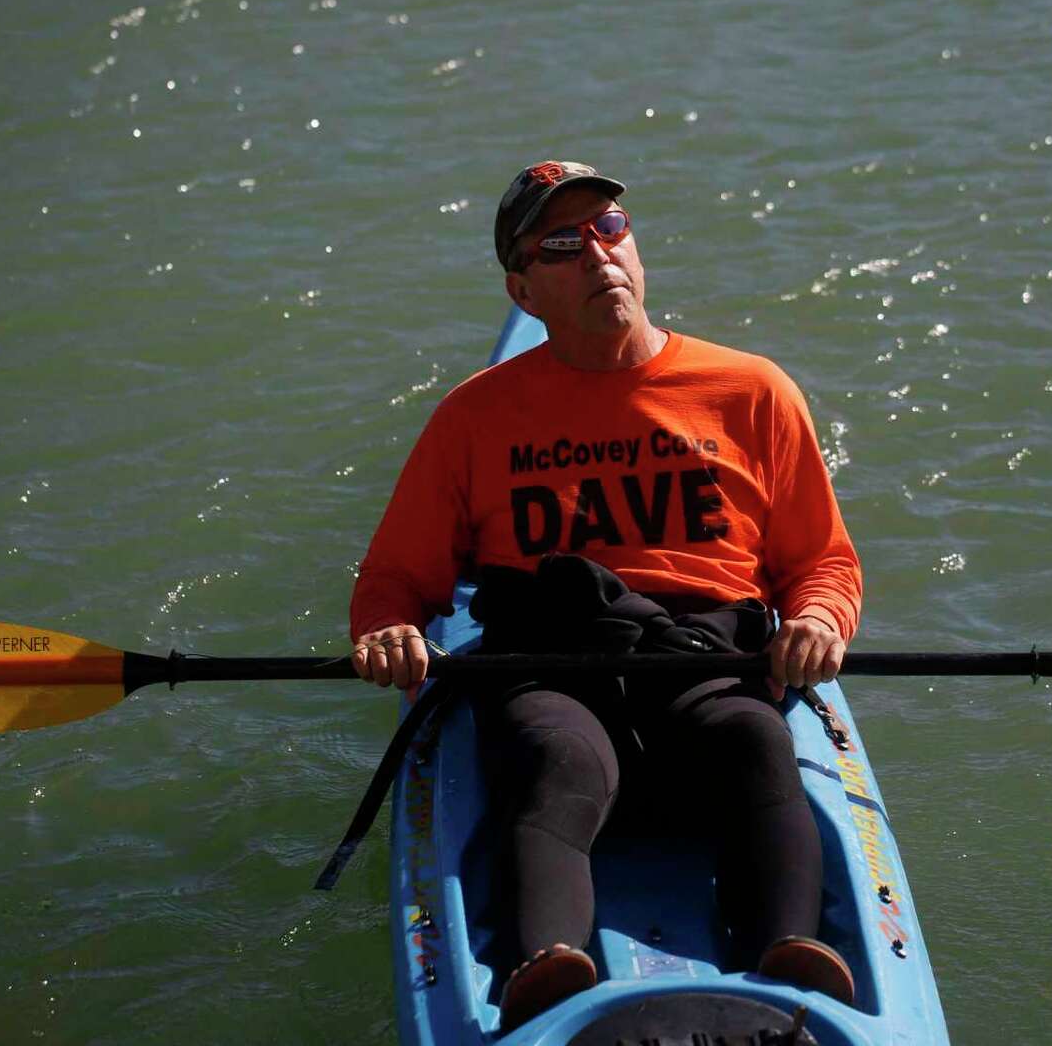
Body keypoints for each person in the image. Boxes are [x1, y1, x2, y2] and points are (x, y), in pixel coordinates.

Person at [348, 160, 862, 1028]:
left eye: (610, 230)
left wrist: (816, 619)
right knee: (560, 759)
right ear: (523, 288)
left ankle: (791, 974)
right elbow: (397, 581)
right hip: (553, 665)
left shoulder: (752, 392)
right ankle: (547, 976)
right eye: (561, 243)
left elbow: (823, 563)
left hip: (704, 656)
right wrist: (389, 632)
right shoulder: (472, 420)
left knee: (751, 738)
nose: (597, 255)